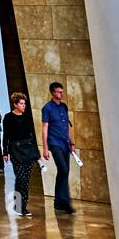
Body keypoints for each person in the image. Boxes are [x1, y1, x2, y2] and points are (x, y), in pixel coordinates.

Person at [3, 91, 39, 217]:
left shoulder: (28, 117)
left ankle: (21, 206)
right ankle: (19, 206)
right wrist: (5, 152)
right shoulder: (8, 117)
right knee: (21, 179)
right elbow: (5, 136)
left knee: (25, 181)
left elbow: (32, 135)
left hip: (29, 151)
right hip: (15, 152)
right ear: (15, 104)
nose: (24, 105)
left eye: (25, 103)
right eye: (22, 103)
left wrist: (37, 153)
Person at [42, 81, 75, 214]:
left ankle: (58, 202)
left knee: (63, 172)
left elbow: (67, 126)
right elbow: (44, 129)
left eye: (62, 92)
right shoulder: (47, 108)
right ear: (53, 93)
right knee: (63, 169)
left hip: (65, 143)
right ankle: (65, 202)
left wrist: (71, 142)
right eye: (59, 92)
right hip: (54, 143)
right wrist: (45, 148)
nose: (62, 94)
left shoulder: (64, 107)